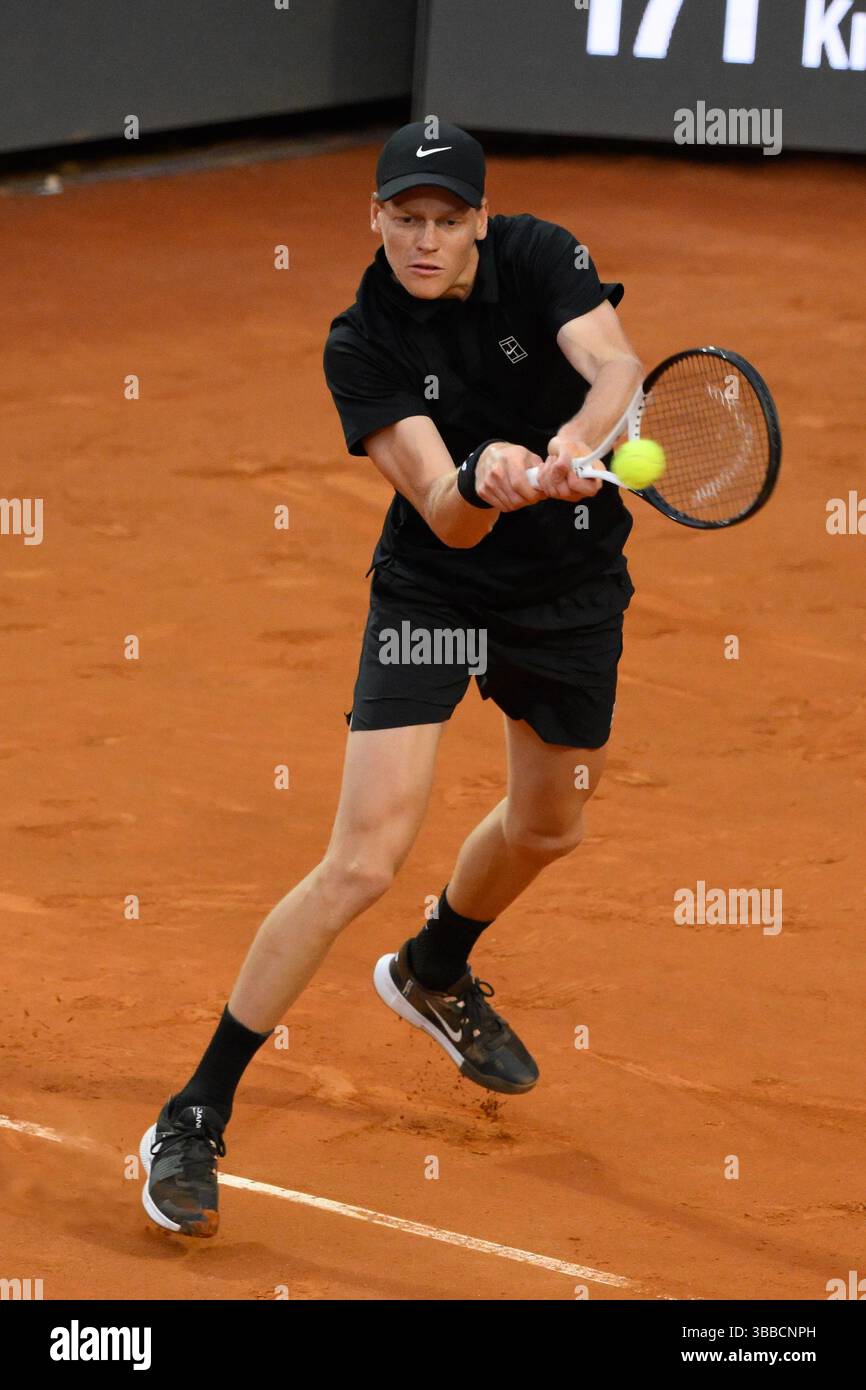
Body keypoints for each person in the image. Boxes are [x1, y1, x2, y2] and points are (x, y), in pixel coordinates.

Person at [139, 120, 643, 1237]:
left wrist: (566, 440)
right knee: (362, 856)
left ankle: (433, 967)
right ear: (372, 218)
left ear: (478, 219)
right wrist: (486, 473)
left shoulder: (538, 252)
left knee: (551, 826)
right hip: (435, 593)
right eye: (402, 219)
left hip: (567, 592)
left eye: (444, 220)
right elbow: (443, 515)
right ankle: (194, 1108)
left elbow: (613, 364)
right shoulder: (360, 341)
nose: (423, 240)